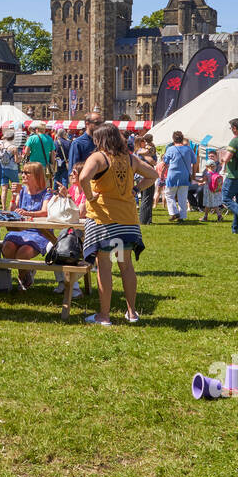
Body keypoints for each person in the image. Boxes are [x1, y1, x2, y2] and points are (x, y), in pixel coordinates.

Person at [78, 123, 156, 325]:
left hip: (104, 221)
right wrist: (136, 190)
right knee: (125, 266)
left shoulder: (98, 157)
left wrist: (90, 198)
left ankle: (104, 316)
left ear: (100, 139)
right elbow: (154, 175)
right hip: (127, 220)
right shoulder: (130, 158)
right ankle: (131, 313)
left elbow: (83, 177)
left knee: (104, 266)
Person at [1, 161, 53, 289]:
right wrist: (14, 196)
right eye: (22, 172)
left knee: (23, 253)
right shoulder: (22, 190)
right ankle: (25, 273)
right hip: (21, 230)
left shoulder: (47, 192)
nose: (22, 175)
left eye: (26, 173)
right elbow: (13, 210)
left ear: (37, 175)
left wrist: (28, 213)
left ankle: (23, 276)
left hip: (39, 232)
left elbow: (45, 212)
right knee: (7, 248)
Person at [161, 131, 196, 223]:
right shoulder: (188, 149)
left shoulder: (171, 149)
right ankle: (182, 216)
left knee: (169, 195)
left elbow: (165, 163)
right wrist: (194, 174)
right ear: (182, 138)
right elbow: (194, 162)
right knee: (183, 197)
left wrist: (161, 174)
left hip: (173, 175)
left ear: (173, 139)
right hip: (185, 175)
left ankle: (174, 212)